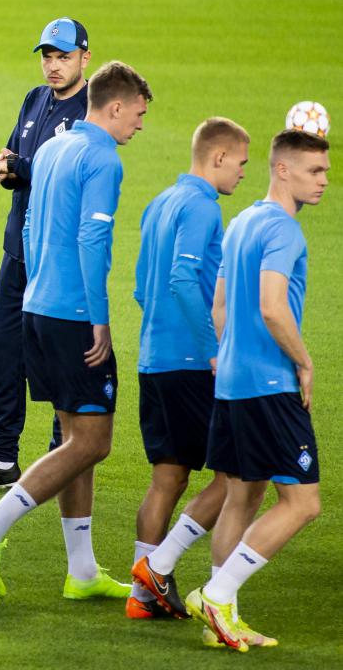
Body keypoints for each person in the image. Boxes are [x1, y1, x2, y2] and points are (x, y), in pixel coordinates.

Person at [0, 61, 152, 602]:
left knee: (74, 438)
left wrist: (40, 291)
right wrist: (99, 319)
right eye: (137, 114)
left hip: (38, 303)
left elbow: (32, 228)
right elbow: (94, 245)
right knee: (93, 441)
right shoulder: (102, 160)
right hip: (72, 314)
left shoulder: (51, 150)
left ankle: (82, 570)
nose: (139, 125)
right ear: (114, 106)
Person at [186, 129, 329, 652]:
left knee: (241, 498)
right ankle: (219, 594)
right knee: (302, 502)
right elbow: (272, 307)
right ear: (283, 169)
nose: (324, 182)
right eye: (315, 171)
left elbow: (220, 306)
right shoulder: (285, 231)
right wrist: (304, 362)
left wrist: (233, 356)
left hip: (232, 383)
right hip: (271, 385)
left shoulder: (242, 221)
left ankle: (223, 618)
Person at [0, 17, 91, 490]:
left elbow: (65, 175)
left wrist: (19, 166)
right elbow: (14, 151)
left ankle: (61, 457)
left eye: (63, 57)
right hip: (19, 249)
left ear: (84, 58)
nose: (53, 66)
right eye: (48, 57)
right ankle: (2, 460)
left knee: (56, 357)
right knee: (1, 346)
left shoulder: (91, 113)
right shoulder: (35, 99)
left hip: (58, 255)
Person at [127, 118, 250, 619]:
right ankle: (161, 569)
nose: (243, 172)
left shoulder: (161, 202)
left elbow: (140, 284)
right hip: (191, 362)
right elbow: (182, 278)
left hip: (153, 358)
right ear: (217, 157)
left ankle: (142, 596)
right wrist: (213, 349)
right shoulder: (201, 208)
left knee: (168, 478)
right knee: (237, 475)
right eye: (241, 162)